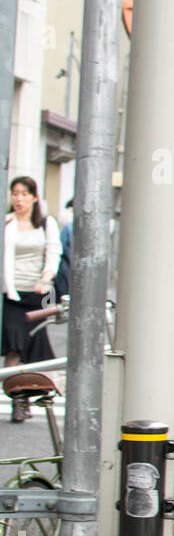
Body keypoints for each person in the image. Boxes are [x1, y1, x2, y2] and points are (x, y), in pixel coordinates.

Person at [3, 176, 63, 422]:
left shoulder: (46, 223)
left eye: (24, 194)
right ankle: (17, 400)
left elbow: (54, 252)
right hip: (10, 294)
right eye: (15, 193)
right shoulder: (6, 223)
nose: (19, 199)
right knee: (14, 345)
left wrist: (46, 278)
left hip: (37, 294)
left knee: (33, 345)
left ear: (34, 197)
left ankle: (26, 396)